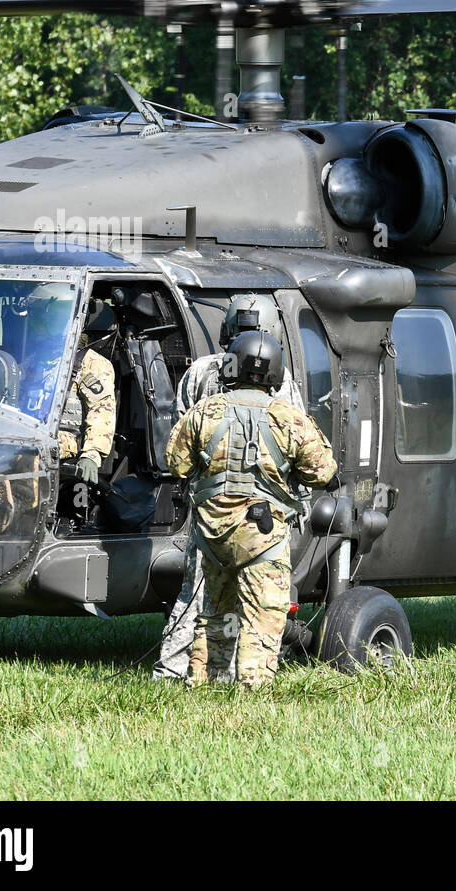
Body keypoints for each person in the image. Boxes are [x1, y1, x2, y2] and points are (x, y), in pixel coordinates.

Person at [165, 330, 336, 688]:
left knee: (214, 616)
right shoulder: (287, 417)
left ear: (232, 366)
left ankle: (204, 684)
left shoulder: (205, 411)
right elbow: (322, 471)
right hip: (262, 538)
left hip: (213, 536)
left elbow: (174, 462)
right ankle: (251, 696)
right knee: (263, 620)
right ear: (275, 373)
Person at [154, 293, 302, 681]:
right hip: (262, 515)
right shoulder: (277, 382)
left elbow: (177, 441)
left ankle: (176, 671)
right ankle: (246, 675)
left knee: (198, 596)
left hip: (209, 510)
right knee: (259, 602)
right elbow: (297, 437)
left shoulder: (200, 372)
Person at [19, 284, 116, 486]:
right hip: (29, 434)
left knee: (30, 455)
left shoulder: (90, 363)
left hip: (65, 440)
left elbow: (102, 409)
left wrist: (92, 453)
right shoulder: (33, 360)